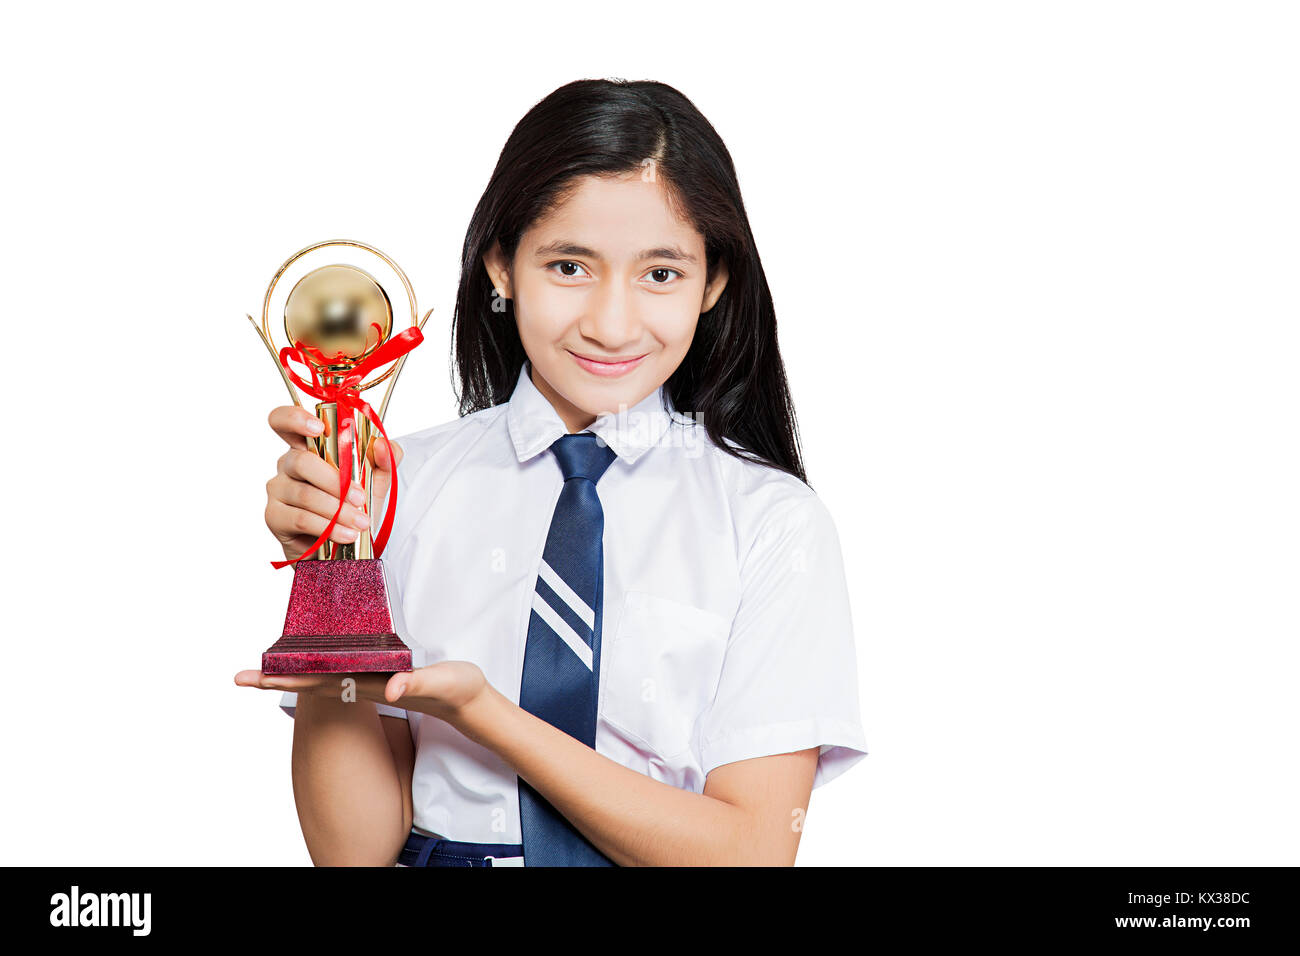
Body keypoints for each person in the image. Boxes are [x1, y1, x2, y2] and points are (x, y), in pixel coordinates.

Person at [236, 77, 869, 866]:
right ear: (501, 265)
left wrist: (487, 715)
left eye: (661, 274)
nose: (610, 323)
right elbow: (353, 852)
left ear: (714, 283)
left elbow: (748, 853)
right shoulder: (399, 484)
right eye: (569, 266)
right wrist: (331, 578)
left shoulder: (771, 522)